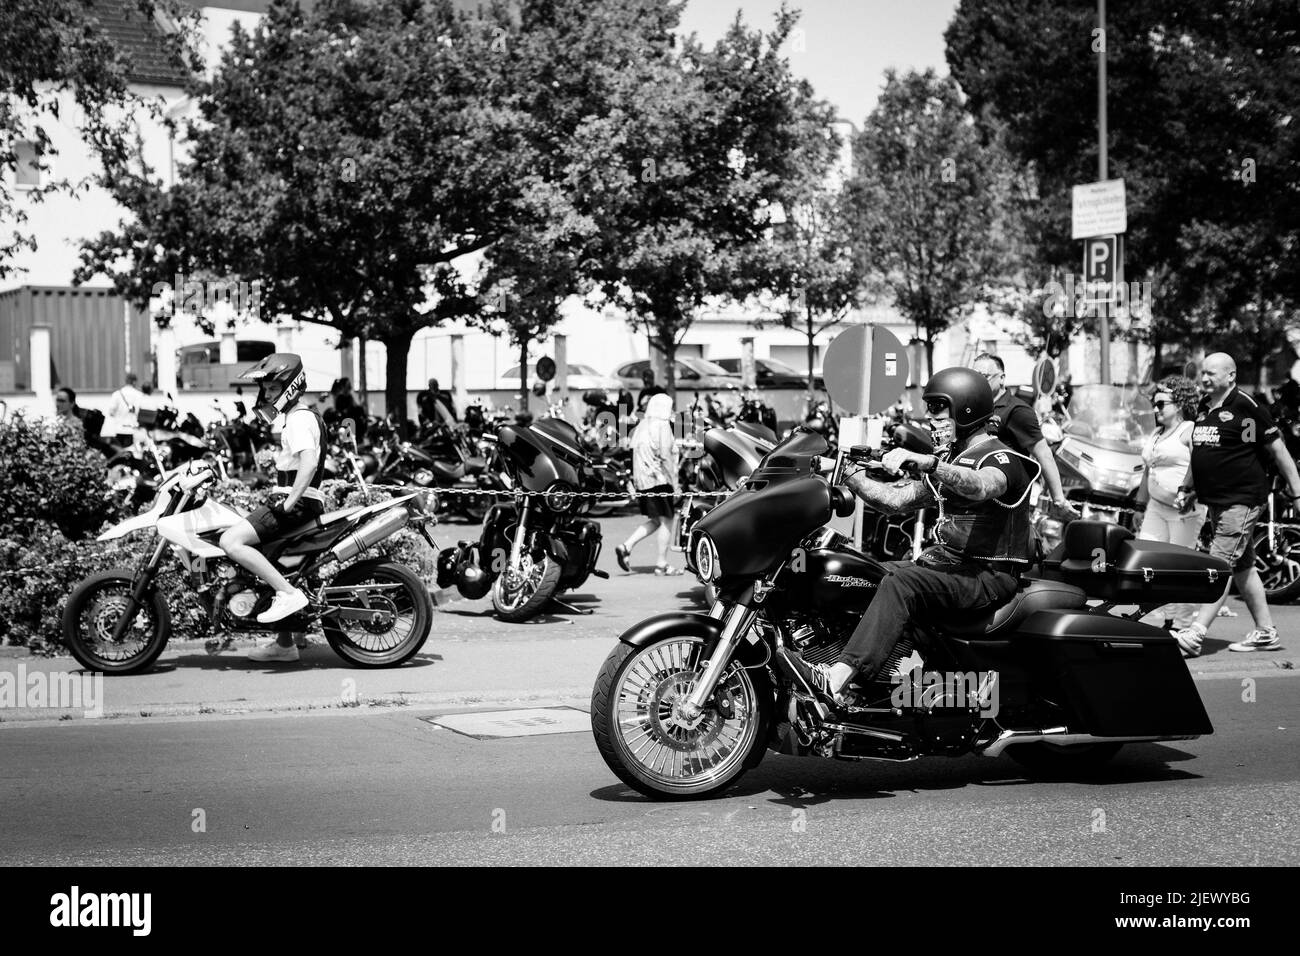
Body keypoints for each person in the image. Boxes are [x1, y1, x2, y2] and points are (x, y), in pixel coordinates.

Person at [787, 367, 1041, 707]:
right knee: (860, 573)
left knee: (900, 584)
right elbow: (894, 501)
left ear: (965, 409)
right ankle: (871, 687)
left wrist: (930, 464)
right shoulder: (957, 460)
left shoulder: (1002, 458)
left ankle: (836, 679)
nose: (930, 418)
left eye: (938, 408)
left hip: (986, 576)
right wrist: (845, 472)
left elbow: (982, 486)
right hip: (950, 567)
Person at [1172, 353, 1300, 655]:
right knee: (1242, 566)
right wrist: (1187, 486)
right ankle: (1266, 632)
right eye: (1202, 373)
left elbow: (1279, 451)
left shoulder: (1246, 405)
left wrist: (1297, 493)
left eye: (1211, 373)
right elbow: (1200, 453)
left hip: (1242, 499)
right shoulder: (1205, 407)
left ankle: (1195, 633)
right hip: (1216, 500)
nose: (1204, 378)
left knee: (1218, 564)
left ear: (1230, 375)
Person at [218, 353, 327, 661]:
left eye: (273, 389)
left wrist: (288, 502)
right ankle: (285, 644)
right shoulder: (299, 418)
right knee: (271, 560)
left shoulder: (299, 420)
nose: (267, 395)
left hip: (298, 504)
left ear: (291, 387)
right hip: (297, 502)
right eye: (265, 389)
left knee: (231, 541)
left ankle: (289, 595)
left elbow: (309, 462)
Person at [1133, 376, 1204, 633]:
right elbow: (1146, 472)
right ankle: (1159, 621)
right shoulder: (1155, 432)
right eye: (1154, 403)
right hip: (1155, 507)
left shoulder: (1190, 430)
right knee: (1149, 563)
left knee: (1181, 569)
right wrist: (1140, 506)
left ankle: (1183, 626)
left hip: (1183, 510)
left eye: (1162, 403)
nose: (1156, 408)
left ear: (1180, 403)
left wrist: (1189, 491)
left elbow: (1200, 465)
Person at [971, 353, 1078, 518]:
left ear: (1001, 378)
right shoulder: (972, 408)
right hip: (975, 494)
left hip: (1006, 502)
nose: (977, 382)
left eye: (983, 376)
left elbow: (1043, 453)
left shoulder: (1017, 410)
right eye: (973, 376)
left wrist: (1058, 499)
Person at [614, 392, 681, 575]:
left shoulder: (643, 426)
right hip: (659, 480)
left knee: (656, 520)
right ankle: (662, 564)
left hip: (643, 481)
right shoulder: (662, 426)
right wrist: (675, 485)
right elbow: (666, 457)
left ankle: (626, 546)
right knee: (667, 520)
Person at [103, 372, 146, 448]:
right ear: (134, 382)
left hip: (119, 429)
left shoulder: (117, 394)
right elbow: (142, 414)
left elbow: (111, 412)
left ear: (126, 381)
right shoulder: (139, 395)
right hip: (133, 430)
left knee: (120, 453)